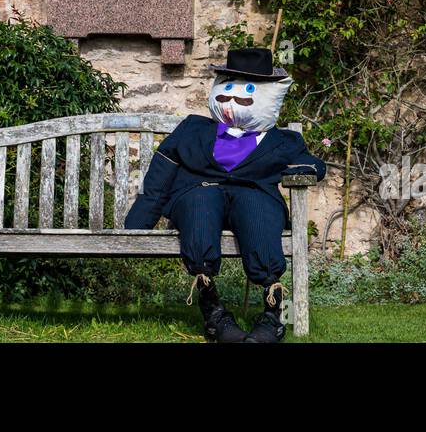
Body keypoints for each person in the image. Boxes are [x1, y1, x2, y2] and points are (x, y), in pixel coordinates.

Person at [123, 47, 326, 343]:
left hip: (254, 193)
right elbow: (160, 175)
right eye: (227, 87)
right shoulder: (193, 129)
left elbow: (313, 166)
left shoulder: (283, 141)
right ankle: (213, 310)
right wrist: (137, 226)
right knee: (199, 203)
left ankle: (272, 312)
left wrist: (302, 169)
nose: (232, 100)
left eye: (247, 90)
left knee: (256, 209)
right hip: (200, 192)